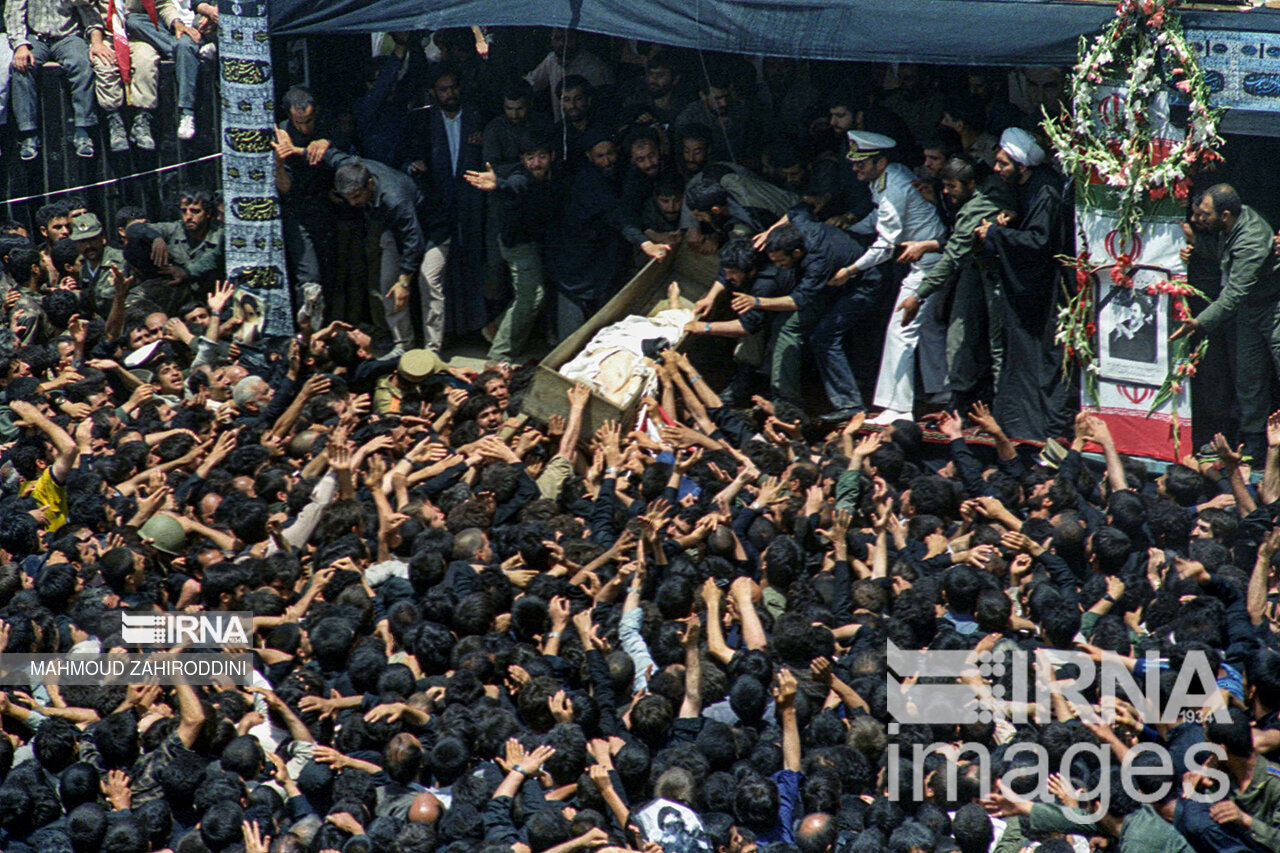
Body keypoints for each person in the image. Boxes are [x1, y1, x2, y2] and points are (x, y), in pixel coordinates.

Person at [828, 131, 947, 425]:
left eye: (862, 164)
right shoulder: (888, 177)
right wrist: (851, 223)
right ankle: (941, 391)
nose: (855, 169)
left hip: (928, 262)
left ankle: (899, 409)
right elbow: (883, 218)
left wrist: (850, 270)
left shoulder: (892, 185)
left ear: (881, 162)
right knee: (928, 328)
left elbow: (886, 245)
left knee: (900, 330)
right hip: (932, 258)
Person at [897, 156, 1015, 412]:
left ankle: (1001, 411)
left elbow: (951, 256)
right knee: (958, 337)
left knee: (997, 345)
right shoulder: (973, 199)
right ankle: (961, 403)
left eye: (952, 187)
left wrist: (917, 296)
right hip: (975, 270)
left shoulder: (979, 206)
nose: (947, 192)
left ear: (971, 184)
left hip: (995, 276)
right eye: (945, 186)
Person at [1174, 183, 1280, 459]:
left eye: (1205, 215)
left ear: (1225, 215)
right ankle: (1254, 440)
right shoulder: (1230, 227)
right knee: (1248, 377)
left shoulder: (1252, 237)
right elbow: (1222, 252)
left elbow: (1233, 294)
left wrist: (1198, 323)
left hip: (1273, 309)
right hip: (1249, 311)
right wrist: (1196, 243)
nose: (1198, 219)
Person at [977, 126, 1070, 440]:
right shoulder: (1032, 186)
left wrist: (994, 234)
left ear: (1023, 166)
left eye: (1003, 164)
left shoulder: (1046, 191)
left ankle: (1040, 429)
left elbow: (1039, 241)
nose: (997, 169)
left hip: (1047, 291)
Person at [313, 149, 441, 358]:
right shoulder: (354, 167)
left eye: (357, 196)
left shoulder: (395, 198)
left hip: (433, 230)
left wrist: (405, 281)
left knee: (429, 283)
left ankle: (432, 350)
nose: (353, 203)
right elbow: (333, 156)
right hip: (394, 229)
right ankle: (403, 344)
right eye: (348, 198)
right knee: (388, 284)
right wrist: (299, 149)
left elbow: (413, 240)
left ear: (370, 184)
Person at [547, 127, 669, 340]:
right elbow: (618, 216)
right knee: (570, 340)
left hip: (604, 267)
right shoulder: (588, 182)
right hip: (576, 268)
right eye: (600, 156)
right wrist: (645, 243)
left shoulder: (622, 173)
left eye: (610, 154)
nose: (607, 161)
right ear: (589, 156)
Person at [465, 129, 565, 363]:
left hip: (541, 241)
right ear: (522, 160)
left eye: (541, 157)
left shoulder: (554, 176)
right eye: (530, 158)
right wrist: (498, 184)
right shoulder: (520, 178)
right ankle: (499, 357)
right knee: (532, 296)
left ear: (551, 156)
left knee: (532, 293)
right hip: (518, 244)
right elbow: (514, 186)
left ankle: (494, 329)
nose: (536, 163)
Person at [408, 65, 488, 339]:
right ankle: (451, 331)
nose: (450, 93)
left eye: (453, 87)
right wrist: (415, 165)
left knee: (474, 263)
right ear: (434, 93)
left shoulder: (478, 116)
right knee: (444, 269)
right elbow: (412, 157)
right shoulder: (423, 121)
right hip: (440, 205)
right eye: (444, 89)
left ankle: (476, 328)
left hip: (472, 203)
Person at [88, 0, 202, 151]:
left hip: (137, 36)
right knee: (104, 65)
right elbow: (88, 11)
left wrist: (177, 23)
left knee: (146, 62)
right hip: (107, 36)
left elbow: (163, 5)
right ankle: (114, 122)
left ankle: (142, 120)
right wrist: (96, 42)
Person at [7, 0, 99, 159]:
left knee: (82, 62)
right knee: (21, 66)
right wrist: (20, 45)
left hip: (68, 37)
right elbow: (14, 14)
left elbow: (89, 12)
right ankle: (28, 133)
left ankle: (83, 130)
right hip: (36, 37)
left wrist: (95, 40)